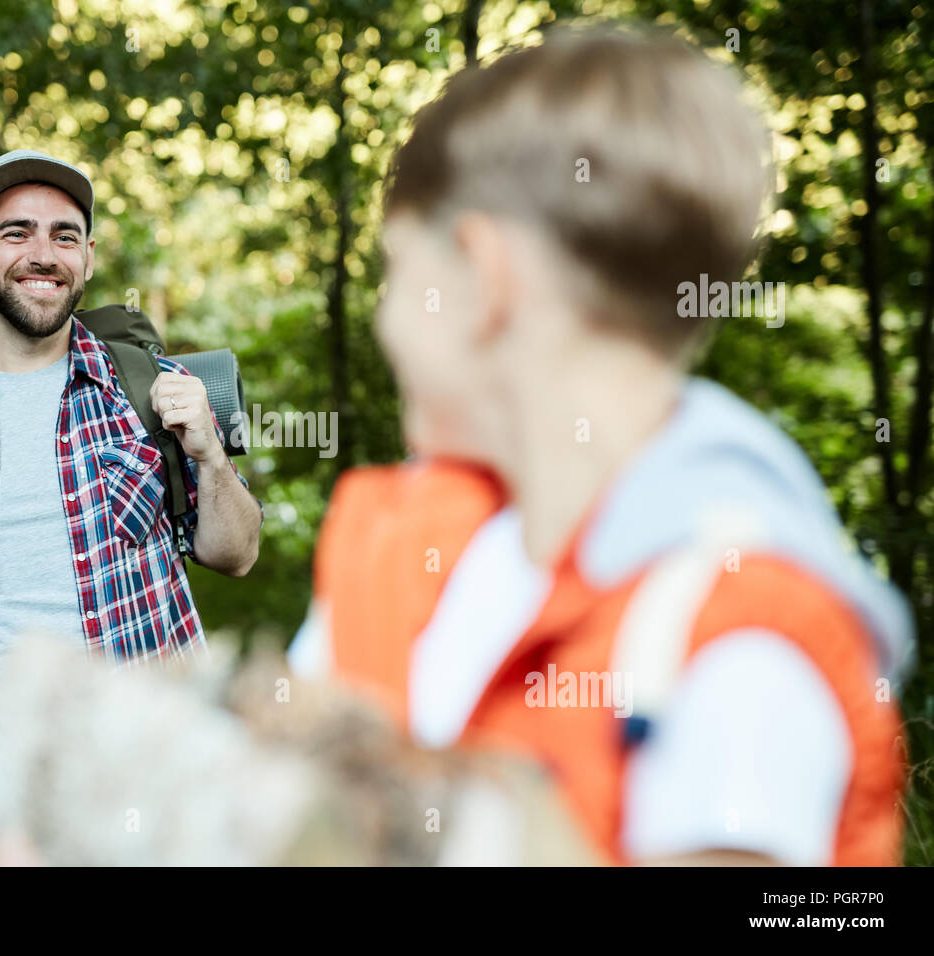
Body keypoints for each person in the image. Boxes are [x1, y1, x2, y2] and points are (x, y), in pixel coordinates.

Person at [290, 27, 914, 865]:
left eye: (397, 272)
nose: (383, 319)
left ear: (483, 277)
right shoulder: (404, 551)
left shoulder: (739, 644)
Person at [0, 149, 263, 865]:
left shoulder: (156, 393)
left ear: (90, 257)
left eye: (64, 235)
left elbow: (236, 554)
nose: (44, 254)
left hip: (153, 778)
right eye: (16, 233)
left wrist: (211, 456)